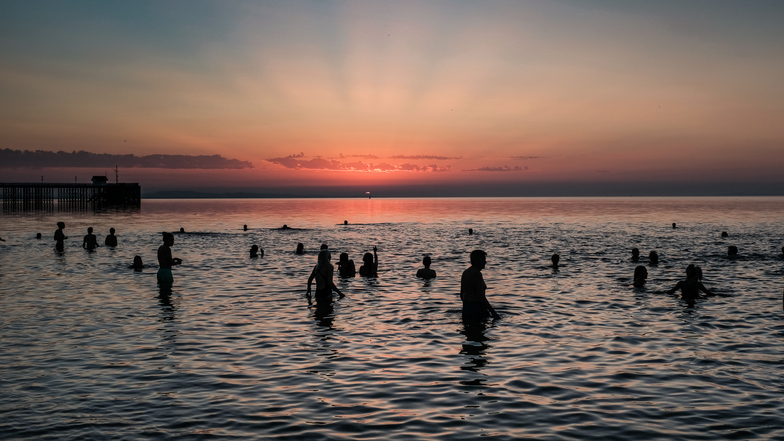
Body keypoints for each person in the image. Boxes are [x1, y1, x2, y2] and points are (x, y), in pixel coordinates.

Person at [460, 250, 500, 320]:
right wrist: (493, 312)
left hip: (466, 308)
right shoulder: (477, 274)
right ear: (477, 261)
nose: (485, 262)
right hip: (477, 309)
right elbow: (481, 296)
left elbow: (461, 294)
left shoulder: (466, 272)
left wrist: (467, 306)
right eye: (483, 259)